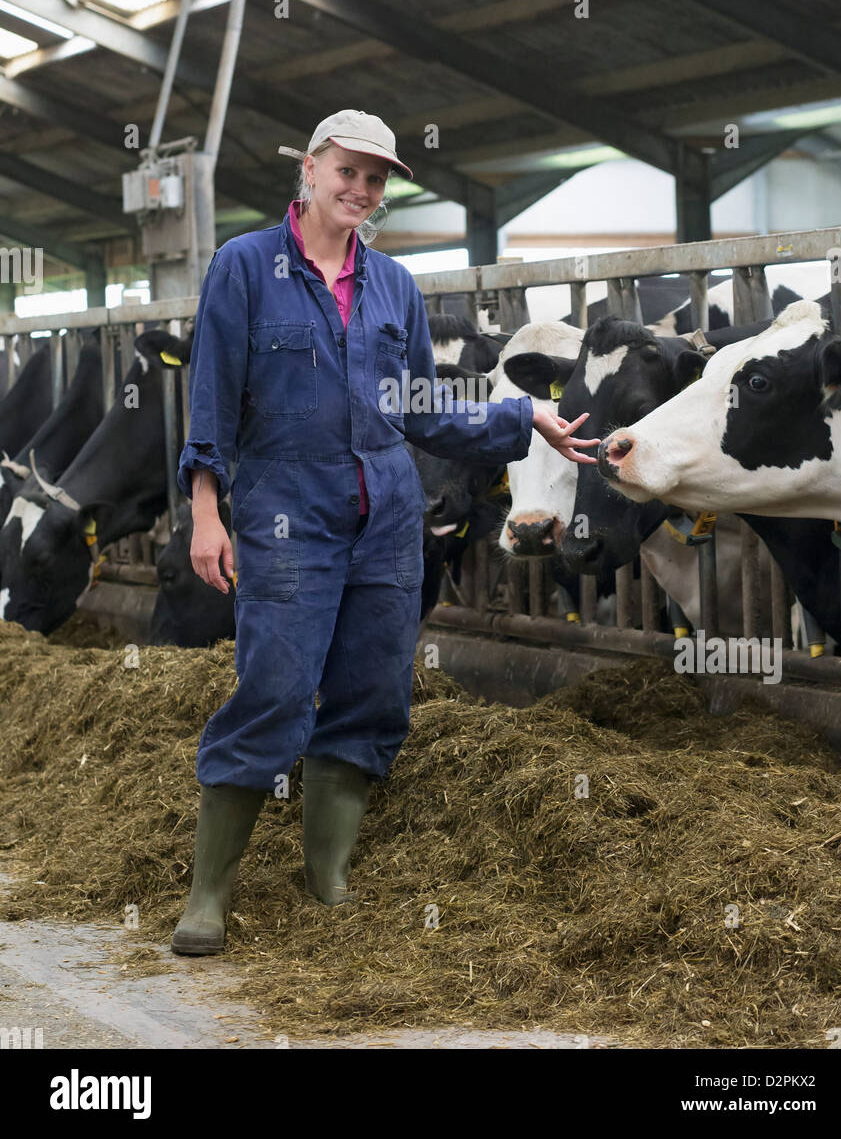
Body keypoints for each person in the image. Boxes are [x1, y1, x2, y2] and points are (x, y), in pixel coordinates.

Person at [170, 110, 599, 955]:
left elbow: (422, 409)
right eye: (348, 172)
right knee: (277, 690)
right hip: (286, 515)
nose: (361, 190)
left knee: (373, 695)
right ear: (311, 170)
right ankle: (207, 897)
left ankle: (327, 877)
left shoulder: (395, 284)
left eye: (376, 179)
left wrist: (525, 417)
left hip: (387, 518)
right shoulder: (246, 266)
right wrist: (207, 512)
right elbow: (213, 401)